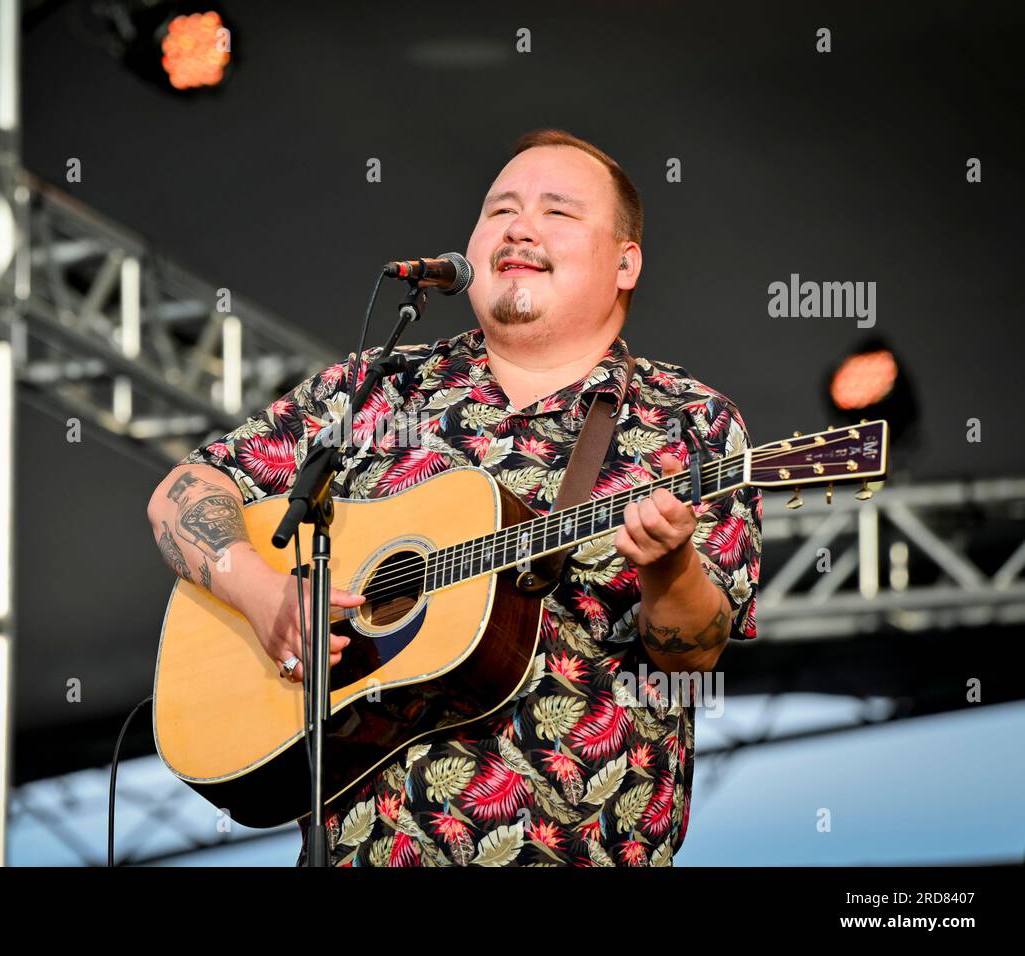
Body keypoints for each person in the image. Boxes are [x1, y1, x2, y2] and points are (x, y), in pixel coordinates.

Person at [147, 128, 761, 866]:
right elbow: (182, 493)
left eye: (558, 213)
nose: (520, 226)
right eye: (500, 209)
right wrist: (265, 596)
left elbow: (690, 659)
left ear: (625, 262)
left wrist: (669, 567)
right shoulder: (373, 388)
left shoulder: (688, 420)